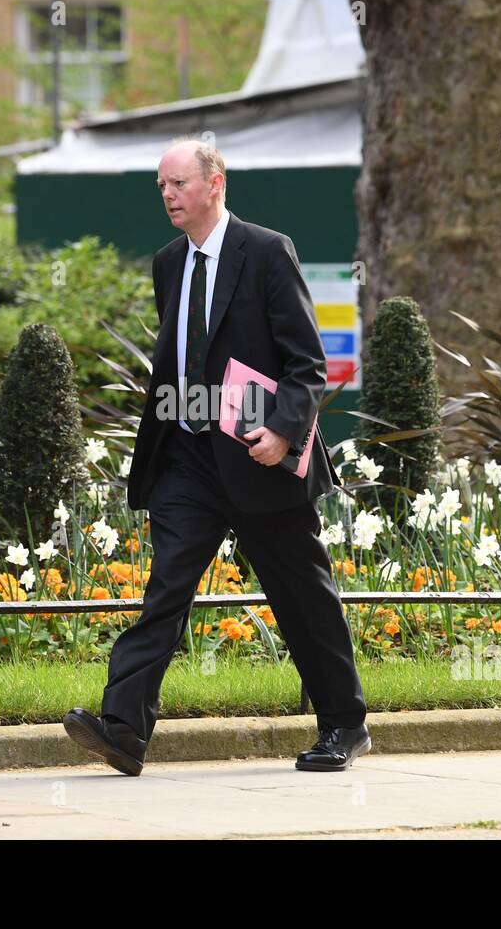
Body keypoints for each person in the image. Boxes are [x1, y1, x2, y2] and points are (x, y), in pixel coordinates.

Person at [64, 136, 369, 775]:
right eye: (162, 187)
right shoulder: (167, 262)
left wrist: (283, 432)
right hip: (188, 460)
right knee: (165, 590)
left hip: (260, 458)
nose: (168, 195)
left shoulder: (265, 252)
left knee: (302, 596)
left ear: (215, 183)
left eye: (178, 183)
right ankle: (123, 728)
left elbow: (308, 364)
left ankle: (344, 723)